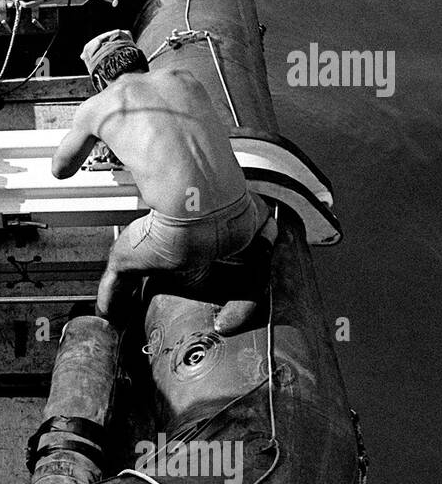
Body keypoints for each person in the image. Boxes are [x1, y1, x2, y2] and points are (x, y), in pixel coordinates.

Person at [51, 29, 276, 330]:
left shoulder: (95, 107)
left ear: (98, 81)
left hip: (181, 239)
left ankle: (107, 324)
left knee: (118, 262)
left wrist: (106, 139)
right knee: (266, 213)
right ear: (143, 61)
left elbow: (61, 169)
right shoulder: (185, 78)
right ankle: (254, 281)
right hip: (241, 222)